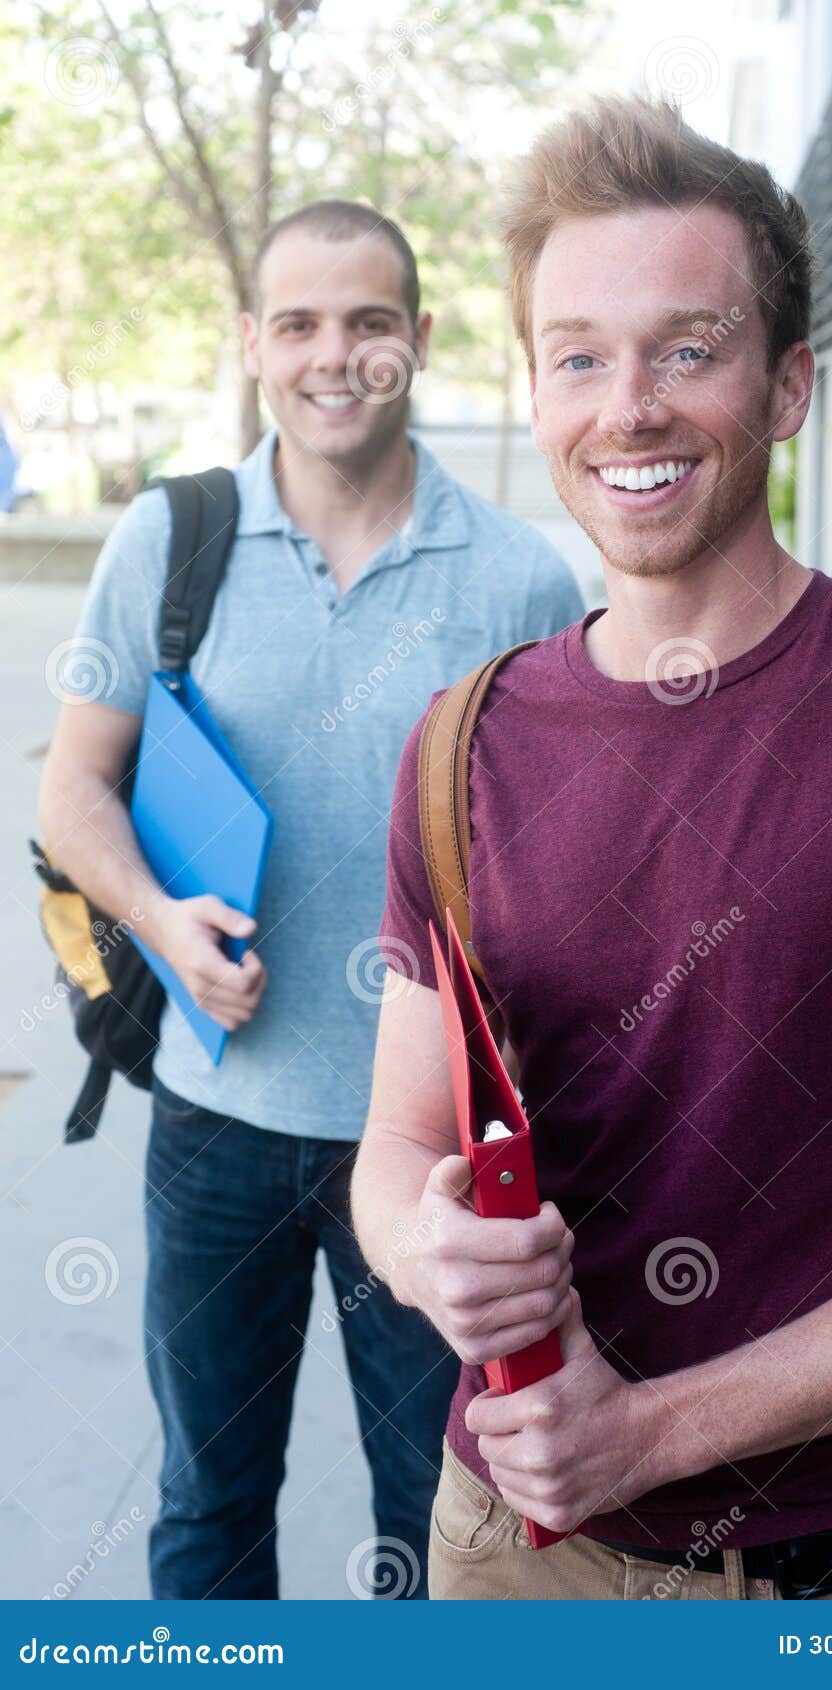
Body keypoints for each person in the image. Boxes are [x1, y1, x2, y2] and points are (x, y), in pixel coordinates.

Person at [352, 100, 832, 1601]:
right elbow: (396, 1151)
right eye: (579, 356)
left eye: (689, 348)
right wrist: (431, 1254)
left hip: (826, 1579)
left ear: (789, 381)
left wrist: (645, 1432)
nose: (629, 406)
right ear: (536, 385)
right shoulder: (457, 745)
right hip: (504, 1549)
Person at [38, 198, 583, 1601]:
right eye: (298, 323)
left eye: (367, 322)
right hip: (214, 1131)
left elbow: (567, 860)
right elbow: (72, 793)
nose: (332, 354)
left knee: (437, 1520)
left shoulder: (520, 577)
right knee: (209, 1505)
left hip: (432, 1153)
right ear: (252, 345)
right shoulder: (170, 539)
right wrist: (161, 921)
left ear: (416, 340)